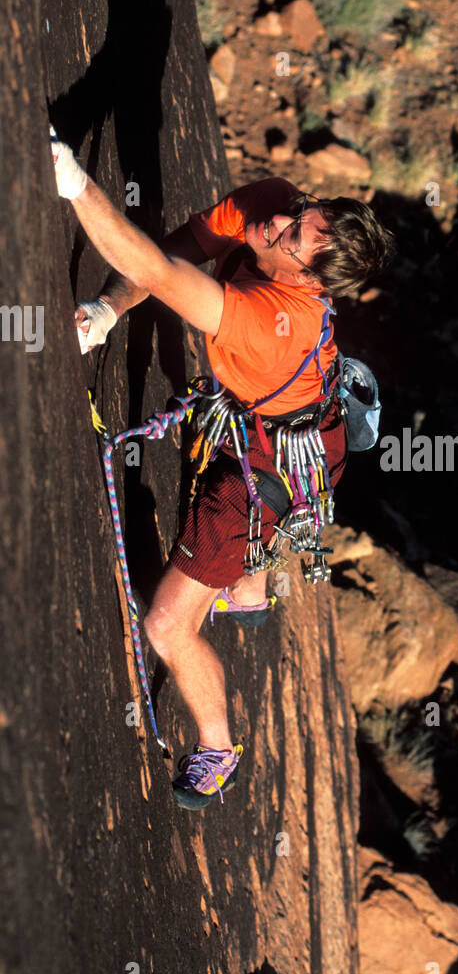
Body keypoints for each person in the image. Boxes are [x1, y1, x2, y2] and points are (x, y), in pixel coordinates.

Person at [51, 128, 393, 810]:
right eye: (306, 212)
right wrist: (109, 309)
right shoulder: (273, 205)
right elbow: (182, 248)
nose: (280, 223)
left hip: (266, 465)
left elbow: (158, 271)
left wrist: (74, 185)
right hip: (298, 433)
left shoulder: (272, 321)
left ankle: (217, 747)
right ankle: (250, 590)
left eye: (296, 235)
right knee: (265, 500)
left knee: (167, 627)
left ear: (305, 277)